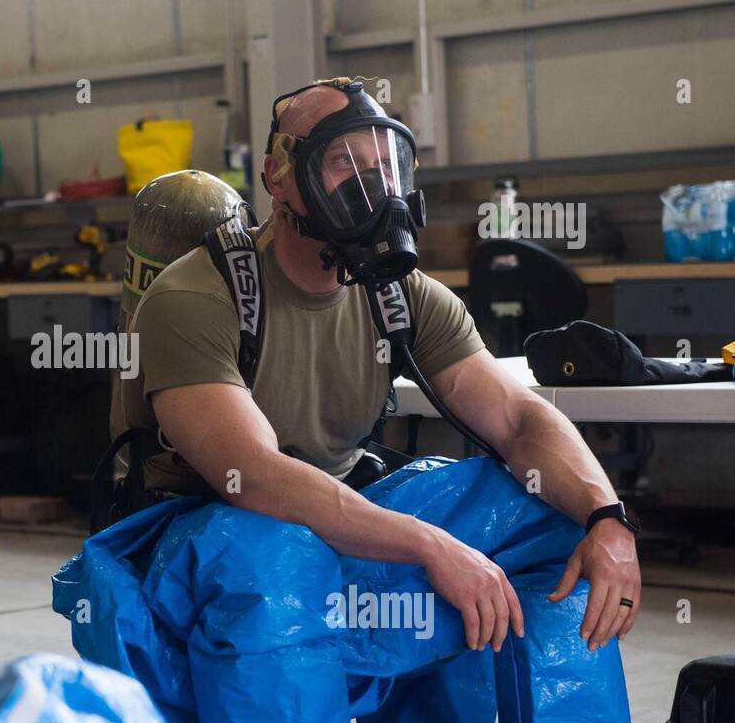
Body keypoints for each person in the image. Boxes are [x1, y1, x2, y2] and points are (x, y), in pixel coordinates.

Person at [116, 81, 642, 655]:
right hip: (204, 529)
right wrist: (428, 545)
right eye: (342, 161)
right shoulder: (195, 296)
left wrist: (607, 518)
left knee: (550, 521)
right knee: (262, 567)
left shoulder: (404, 296)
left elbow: (517, 418)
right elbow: (252, 475)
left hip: (336, 506)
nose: (375, 186)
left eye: (385, 163)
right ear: (277, 177)